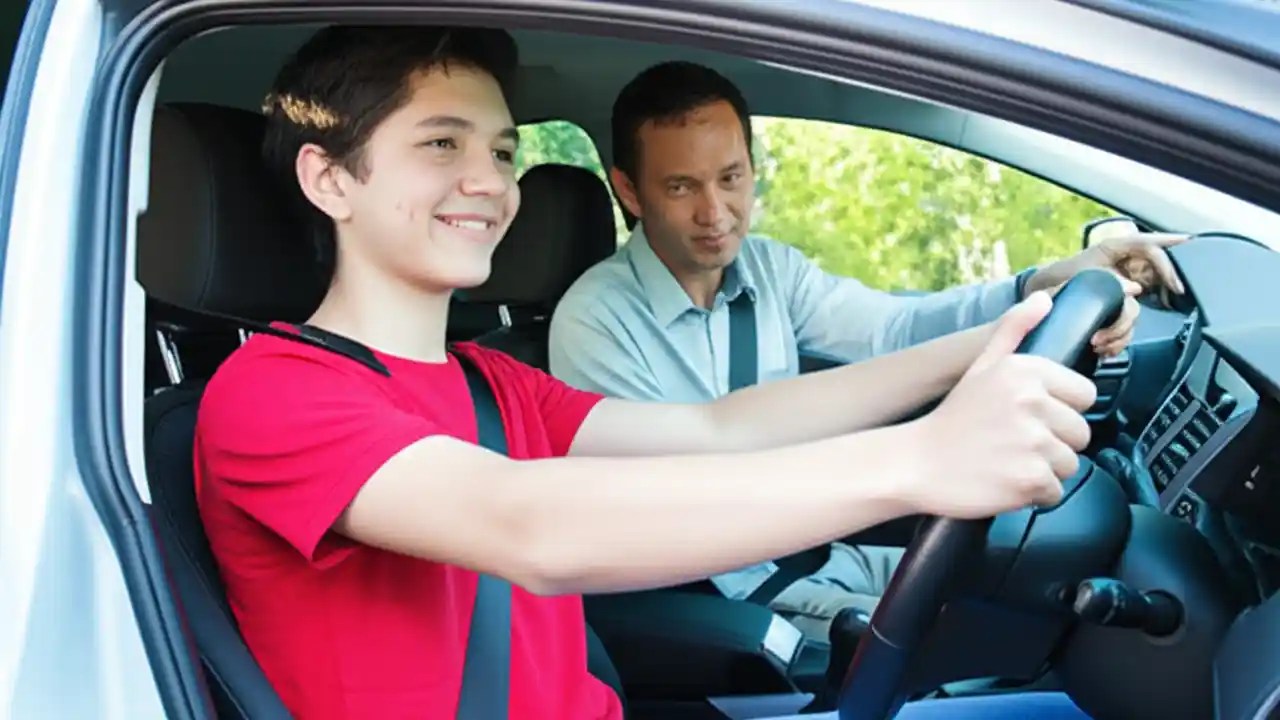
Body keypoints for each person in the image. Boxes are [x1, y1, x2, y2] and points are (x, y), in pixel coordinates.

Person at [197, 25, 1125, 720]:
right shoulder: (270, 394)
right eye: (443, 144)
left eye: (503, 151)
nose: (492, 181)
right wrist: (920, 460)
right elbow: (529, 526)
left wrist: (1005, 333)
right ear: (330, 179)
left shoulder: (493, 384)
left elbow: (720, 429)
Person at [547, 60, 1184, 641]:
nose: (715, 212)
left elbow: (895, 329)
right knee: (980, 643)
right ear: (630, 192)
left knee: (1031, 596)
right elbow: (666, 503)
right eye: (682, 187)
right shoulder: (595, 320)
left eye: (731, 178)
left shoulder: (769, 270)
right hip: (729, 591)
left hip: (818, 549)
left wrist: (1037, 287)